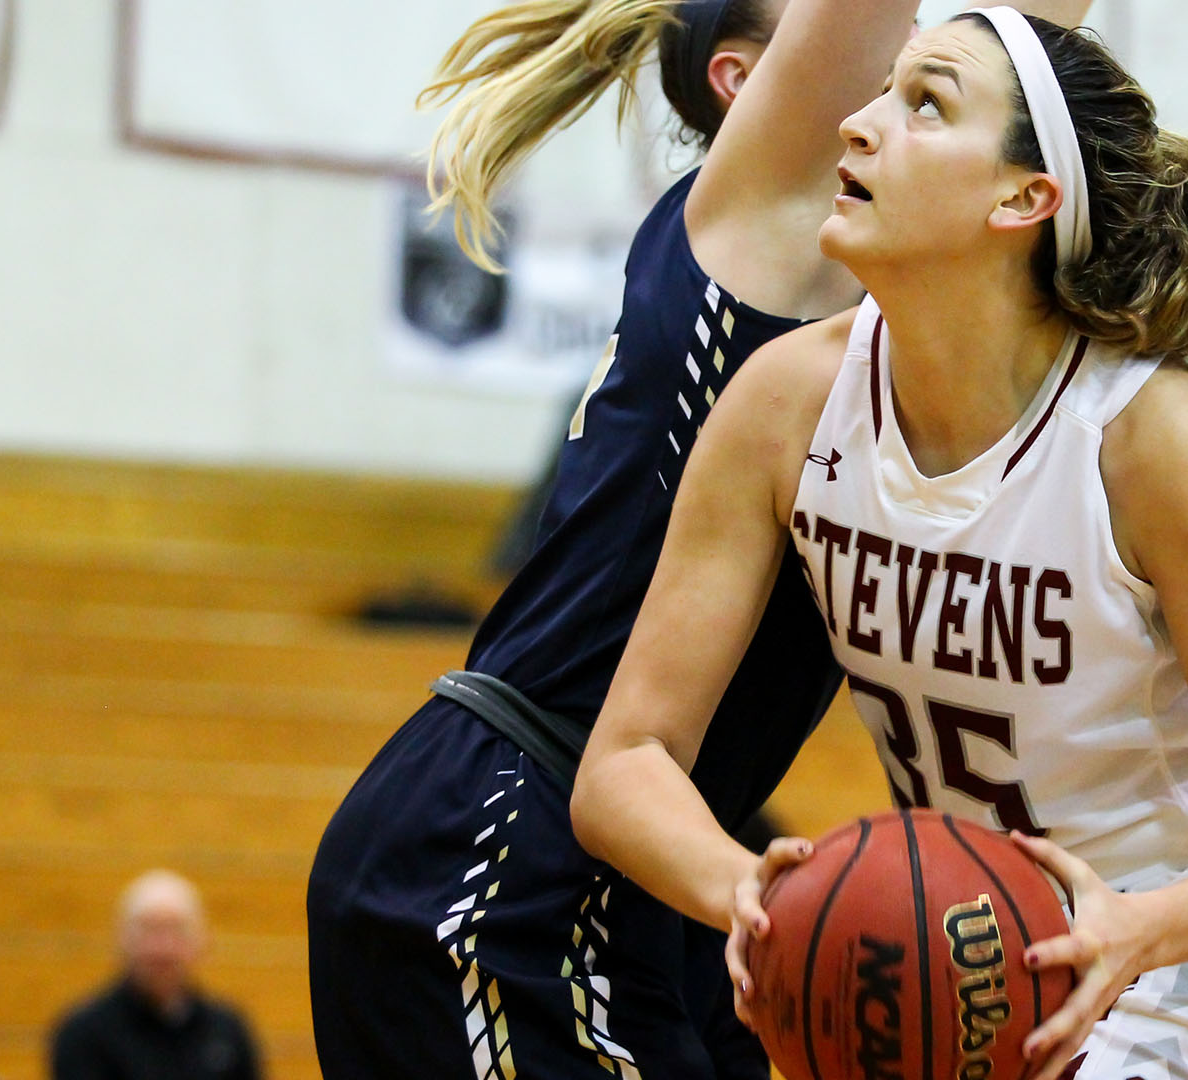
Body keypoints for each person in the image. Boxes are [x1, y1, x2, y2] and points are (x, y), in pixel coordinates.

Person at [569, 10, 1188, 1080]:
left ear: (1023, 196)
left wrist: (1135, 932)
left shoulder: (1155, 445)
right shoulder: (783, 405)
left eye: (925, 105)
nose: (858, 126)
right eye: (880, 94)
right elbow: (623, 764)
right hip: (977, 959)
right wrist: (745, 893)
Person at [305, 1, 1089, 1077]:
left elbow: (1029, 71)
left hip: (662, 869)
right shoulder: (763, 234)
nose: (887, 99)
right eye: (888, 67)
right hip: (514, 835)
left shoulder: (893, 311)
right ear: (745, 81)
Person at [49, 871, 261, 1080]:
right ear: (123, 940)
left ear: (201, 942)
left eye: (176, 931)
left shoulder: (227, 1029)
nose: (162, 949)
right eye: (149, 931)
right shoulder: (84, 1033)